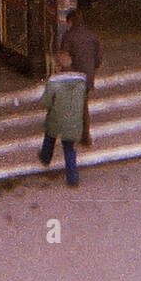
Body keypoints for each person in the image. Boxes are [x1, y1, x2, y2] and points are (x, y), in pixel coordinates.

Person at [38, 50, 87, 187]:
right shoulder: (81, 82)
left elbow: (46, 102)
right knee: (69, 148)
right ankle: (73, 179)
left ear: (58, 67)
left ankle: (45, 158)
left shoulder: (53, 83)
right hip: (74, 122)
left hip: (57, 119)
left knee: (50, 136)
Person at [61, 8, 101, 145]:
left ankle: (81, 136)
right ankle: (84, 135)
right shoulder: (92, 35)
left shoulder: (68, 36)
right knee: (83, 104)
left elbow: (64, 58)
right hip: (88, 76)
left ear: (70, 22)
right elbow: (98, 59)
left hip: (75, 75)